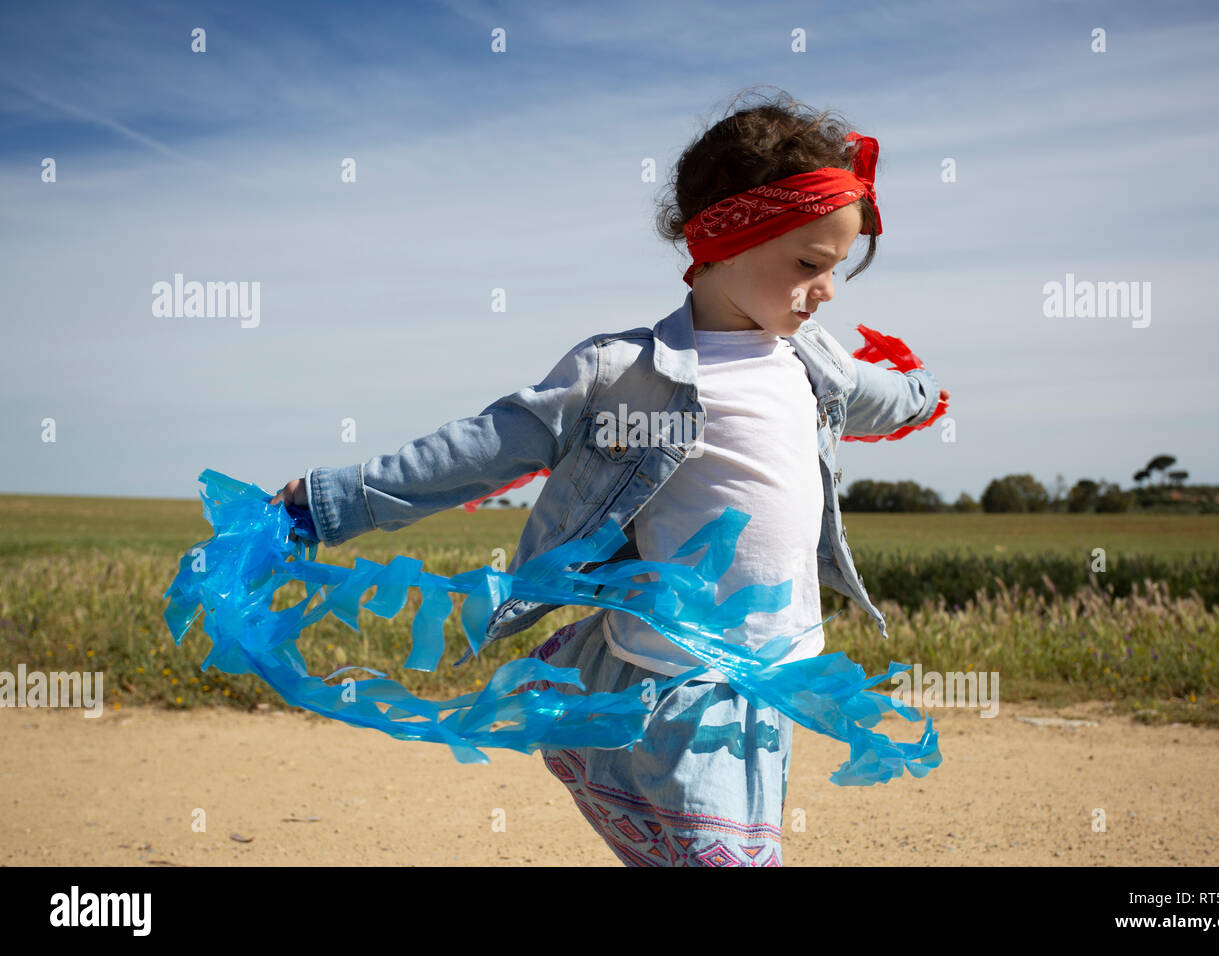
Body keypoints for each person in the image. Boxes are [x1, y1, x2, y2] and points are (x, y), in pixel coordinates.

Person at [270, 88, 949, 867]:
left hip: (775, 672)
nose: (826, 290)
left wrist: (925, 395)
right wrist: (331, 503)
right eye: (808, 264)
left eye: (836, 270)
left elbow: (878, 394)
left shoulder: (812, 358)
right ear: (727, 237)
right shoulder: (624, 373)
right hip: (678, 676)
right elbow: (482, 448)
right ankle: (583, 689)